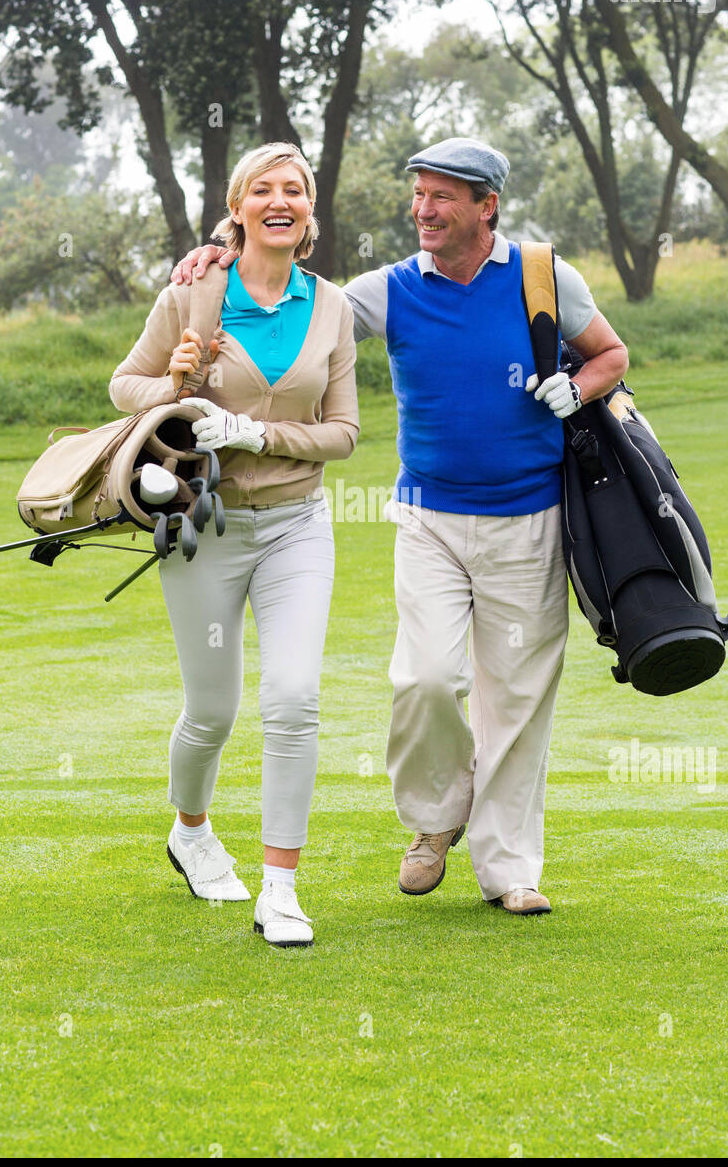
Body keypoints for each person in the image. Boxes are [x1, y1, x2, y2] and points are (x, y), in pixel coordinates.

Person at [171, 136, 628, 917]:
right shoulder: (384, 290)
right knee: (425, 680)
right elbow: (296, 297)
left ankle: (509, 868)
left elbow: (610, 354)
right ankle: (432, 822)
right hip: (430, 520)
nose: (423, 210)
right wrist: (215, 251)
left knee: (516, 701)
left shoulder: (543, 276)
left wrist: (577, 387)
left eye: (441, 196)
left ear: (486, 205)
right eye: (417, 194)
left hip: (533, 521)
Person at [110, 142, 359, 947]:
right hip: (200, 529)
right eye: (265, 190)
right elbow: (126, 387)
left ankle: (281, 890)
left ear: (309, 213)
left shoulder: (333, 307)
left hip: (295, 527)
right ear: (239, 206)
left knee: (293, 699)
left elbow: (345, 434)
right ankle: (190, 831)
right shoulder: (194, 291)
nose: (281, 201)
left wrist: (254, 430)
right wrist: (179, 383)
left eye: (296, 190)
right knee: (213, 711)